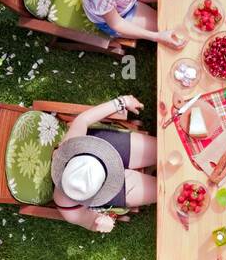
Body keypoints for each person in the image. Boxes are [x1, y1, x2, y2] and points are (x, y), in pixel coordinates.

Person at [50, 95, 156, 232]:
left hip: (108, 146)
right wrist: (104, 223)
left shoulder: (70, 146)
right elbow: (91, 223)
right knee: (169, 189)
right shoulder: (67, 206)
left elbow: (83, 119)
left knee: (170, 152)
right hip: (111, 188)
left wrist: (122, 102)